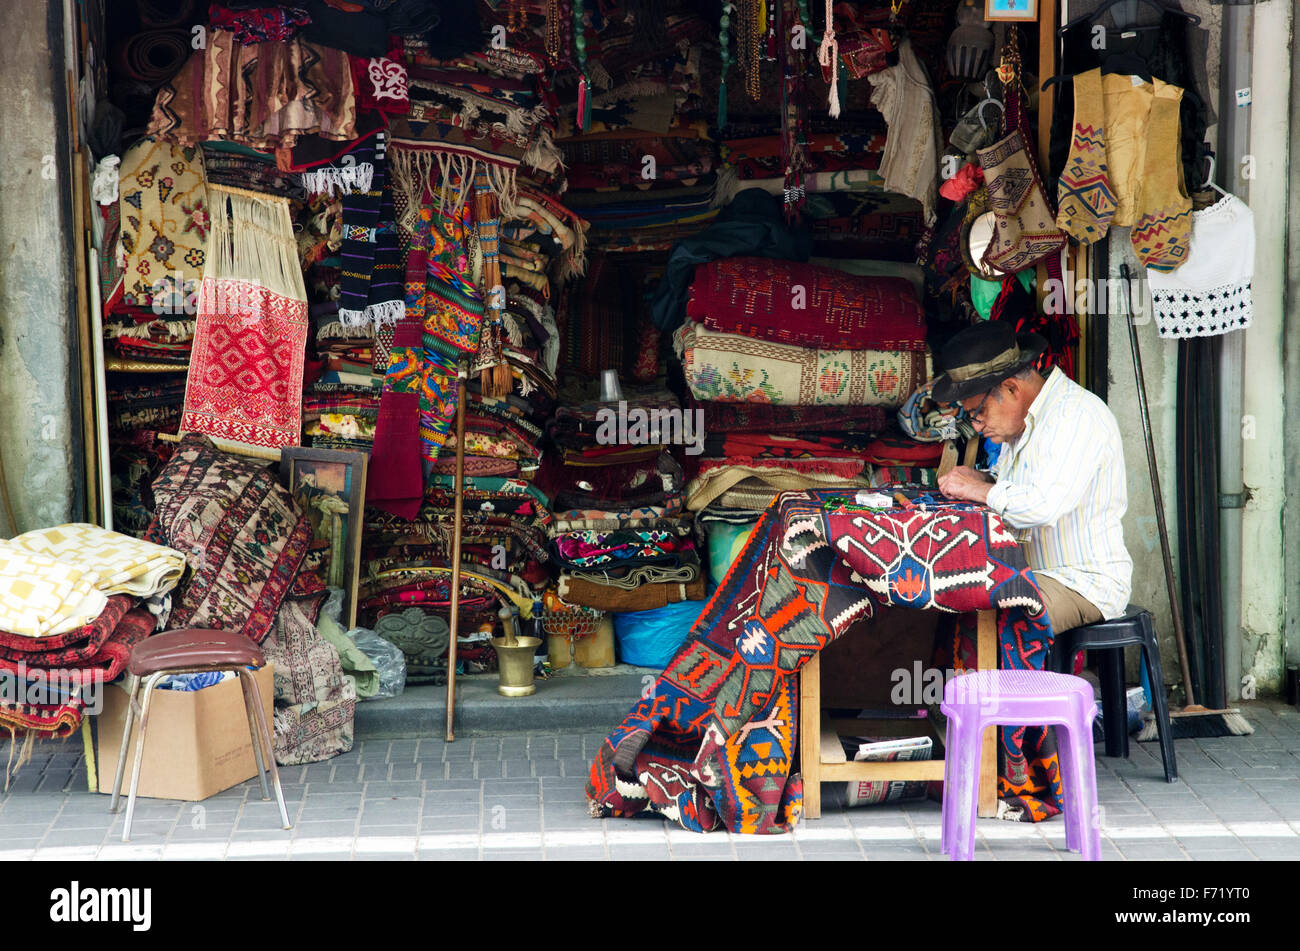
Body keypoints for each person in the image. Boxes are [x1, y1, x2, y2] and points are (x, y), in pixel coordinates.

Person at [932, 321, 1132, 634]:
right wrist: (981, 478)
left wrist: (977, 489)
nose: (978, 426)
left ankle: (1011, 684)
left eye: (978, 412)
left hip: (1081, 582)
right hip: (1039, 572)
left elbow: (1042, 507)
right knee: (956, 592)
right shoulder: (1023, 426)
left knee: (1001, 610)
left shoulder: (1074, 416)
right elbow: (1016, 486)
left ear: (1011, 388)